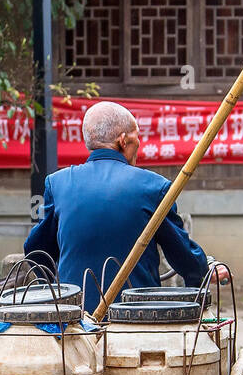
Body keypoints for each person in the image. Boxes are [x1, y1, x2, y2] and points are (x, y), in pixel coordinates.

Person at [24, 101, 214, 315]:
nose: (139, 146)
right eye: (137, 138)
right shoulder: (154, 187)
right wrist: (203, 271)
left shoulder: (57, 184)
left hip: (75, 321)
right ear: (123, 141)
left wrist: (56, 292)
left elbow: (36, 251)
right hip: (136, 318)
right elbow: (183, 256)